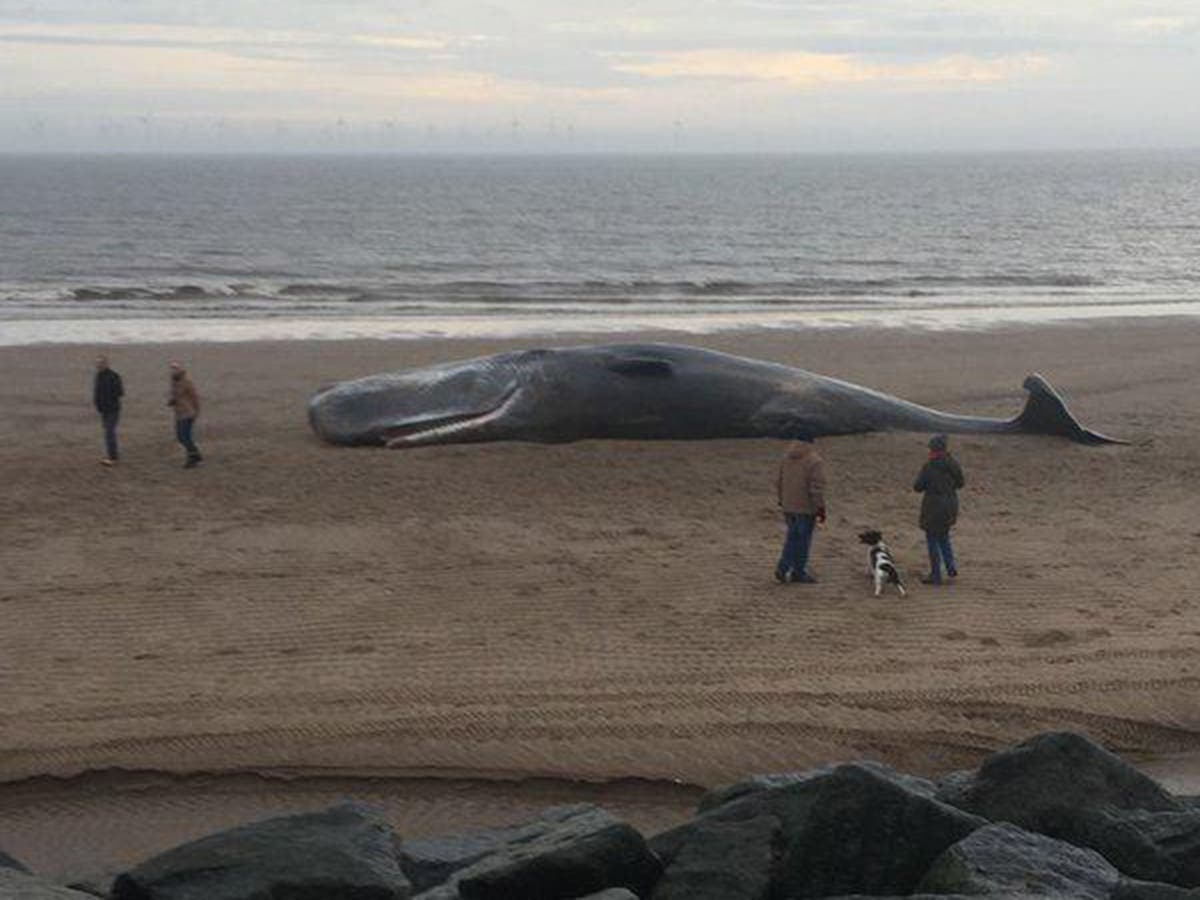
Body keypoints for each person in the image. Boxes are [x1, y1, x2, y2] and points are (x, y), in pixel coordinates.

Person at [914, 433, 964, 585]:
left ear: (934, 451)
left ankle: (936, 574)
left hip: (933, 506)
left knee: (932, 540)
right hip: (950, 504)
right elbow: (961, 483)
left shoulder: (929, 467)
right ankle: (950, 568)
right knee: (944, 537)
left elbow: (917, 487)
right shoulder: (953, 463)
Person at [775, 438, 827, 584]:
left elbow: (779, 481)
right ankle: (797, 571)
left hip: (788, 505)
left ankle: (784, 567)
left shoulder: (786, 458)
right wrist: (820, 508)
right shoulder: (814, 461)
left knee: (792, 537)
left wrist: (781, 500)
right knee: (803, 540)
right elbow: (816, 488)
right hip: (805, 507)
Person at [168, 361, 203, 468]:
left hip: (188, 413)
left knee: (185, 437)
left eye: (175, 369)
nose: (173, 371)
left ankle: (192, 458)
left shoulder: (187, 382)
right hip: (179, 413)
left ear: (181, 370)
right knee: (180, 437)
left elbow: (195, 397)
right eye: (172, 369)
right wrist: (172, 401)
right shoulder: (174, 382)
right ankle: (195, 454)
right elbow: (176, 395)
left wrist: (197, 411)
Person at [93, 354, 124, 466]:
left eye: (101, 363)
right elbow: (96, 391)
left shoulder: (114, 376)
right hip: (103, 410)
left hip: (113, 410)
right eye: (97, 363)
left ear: (106, 364)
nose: (99, 365)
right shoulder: (98, 376)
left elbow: (120, 392)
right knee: (107, 432)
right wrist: (97, 403)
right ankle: (111, 455)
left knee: (109, 432)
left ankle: (113, 458)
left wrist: (110, 395)